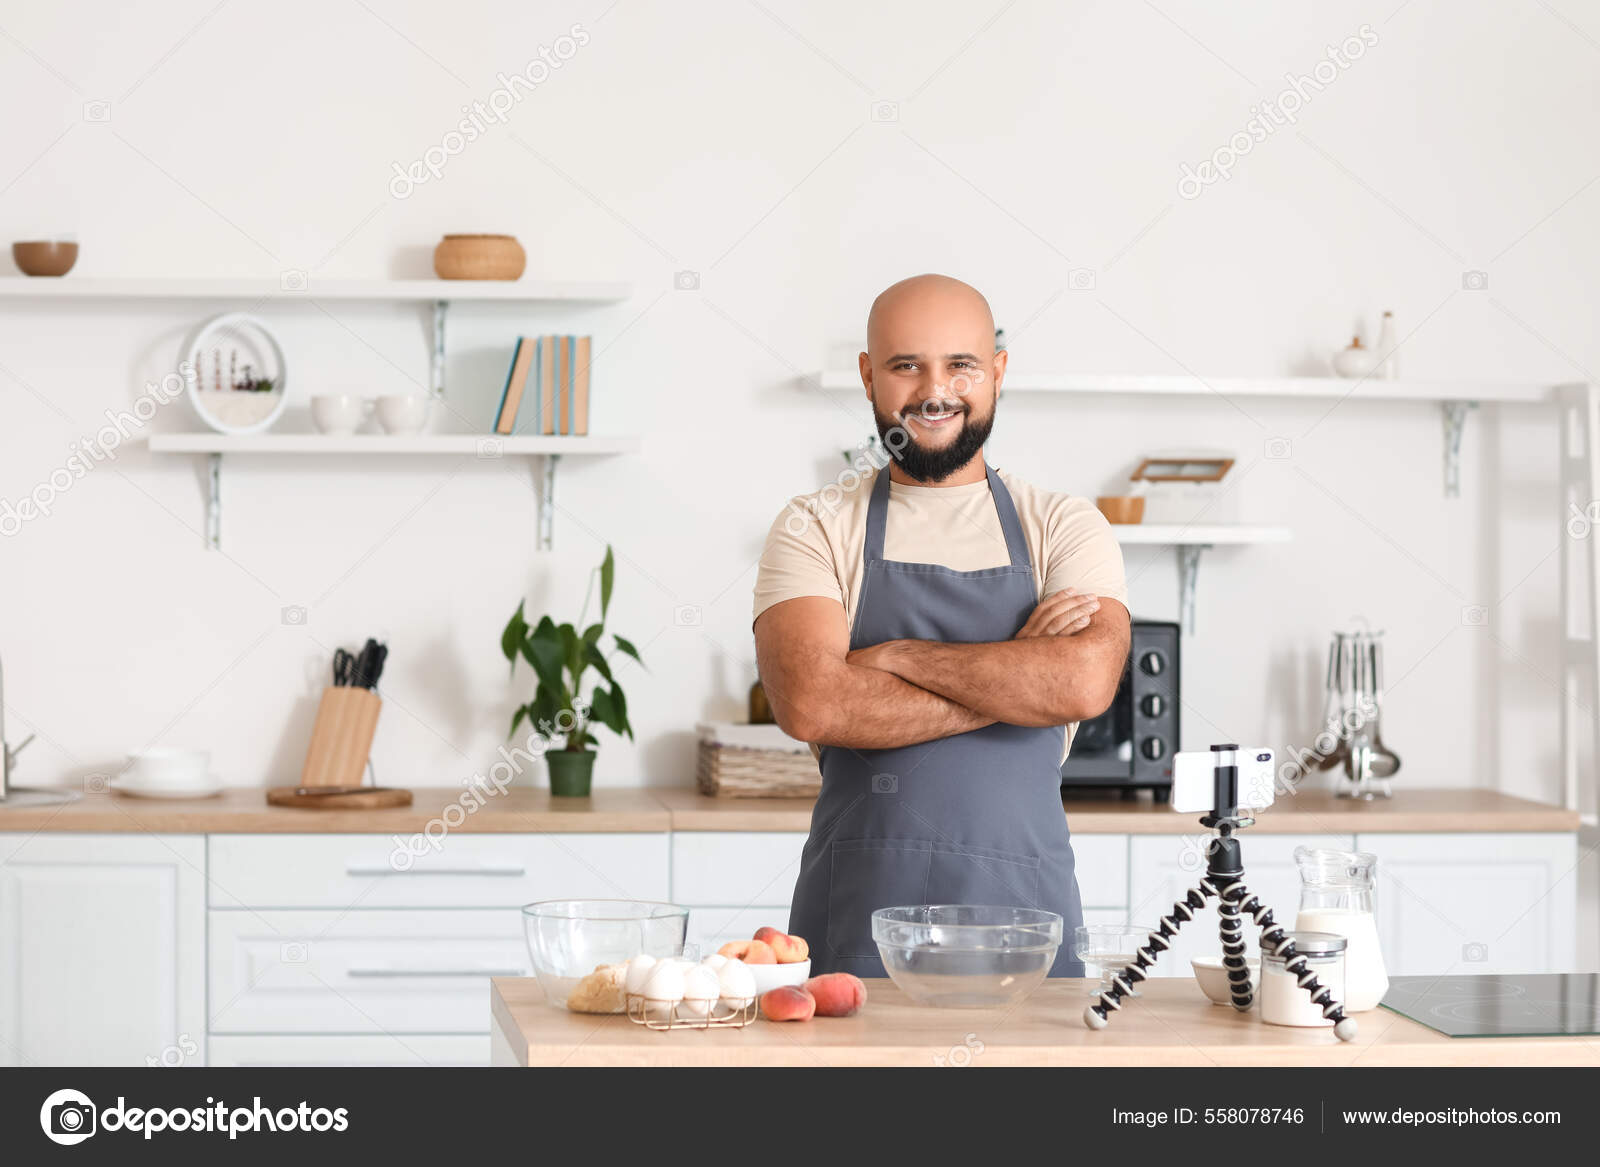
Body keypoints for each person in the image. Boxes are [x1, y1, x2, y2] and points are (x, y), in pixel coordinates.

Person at [752, 273, 1131, 976]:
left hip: (1026, 930)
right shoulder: (814, 525)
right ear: (868, 377)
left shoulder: (1063, 525)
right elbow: (812, 701)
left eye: (961, 364)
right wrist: (1018, 672)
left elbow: (1081, 682)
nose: (935, 390)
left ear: (998, 372)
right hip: (854, 936)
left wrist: (890, 656)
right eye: (906, 365)